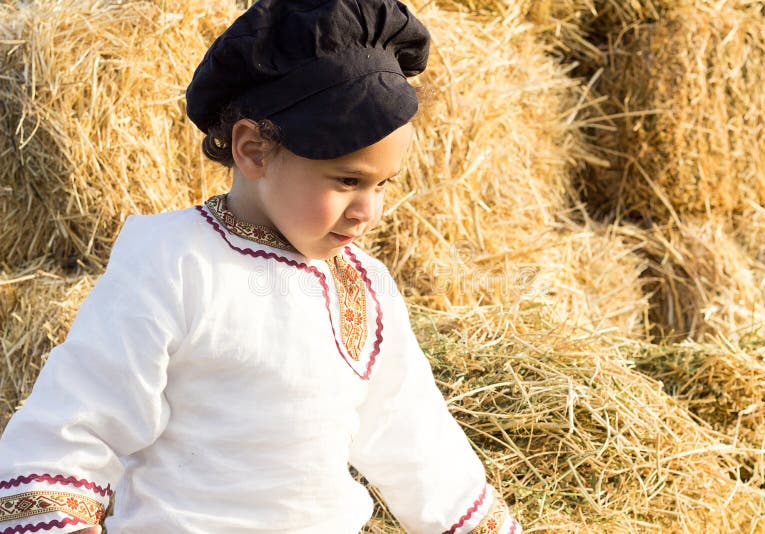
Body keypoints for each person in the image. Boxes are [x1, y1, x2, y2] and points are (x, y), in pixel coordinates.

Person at [0, 1, 522, 532]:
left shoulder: (365, 288)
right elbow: (74, 423)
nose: (369, 211)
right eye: (347, 181)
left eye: (382, 184)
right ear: (253, 151)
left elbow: (413, 438)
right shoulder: (174, 262)